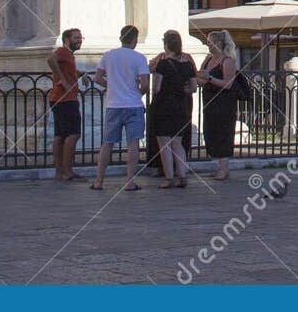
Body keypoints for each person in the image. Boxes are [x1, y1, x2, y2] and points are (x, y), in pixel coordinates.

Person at [92, 25, 150, 191]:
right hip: (133, 105)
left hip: (113, 104)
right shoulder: (139, 58)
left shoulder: (108, 55)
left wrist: (111, 86)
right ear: (134, 39)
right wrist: (138, 93)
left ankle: (98, 181)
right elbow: (145, 83)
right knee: (133, 144)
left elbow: (97, 78)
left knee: (107, 144)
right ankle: (129, 181)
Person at [149, 30, 196, 189]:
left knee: (164, 142)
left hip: (164, 105)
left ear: (166, 45)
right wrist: (182, 89)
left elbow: (156, 88)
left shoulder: (162, 64)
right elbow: (193, 87)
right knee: (178, 142)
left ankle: (169, 177)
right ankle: (182, 175)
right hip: (181, 105)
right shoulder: (188, 64)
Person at [195, 29, 240, 182]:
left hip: (224, 103)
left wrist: (210, 78)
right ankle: (219, 167)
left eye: (210, 42)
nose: (208, 45)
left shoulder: (228, 61)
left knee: (223, 133)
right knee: (211, 132)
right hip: (209, 101)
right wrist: (202, 78)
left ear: (219, 43)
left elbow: (228, 84)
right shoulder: (208, 59)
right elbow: (201, 77)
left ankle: (224, 168)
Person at [47, 28, 85, 182]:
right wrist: (62, 79)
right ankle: (68, 171)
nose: (80, 40)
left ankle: (59, 172)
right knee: (73, 134)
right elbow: (50, 59)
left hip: (58, 98)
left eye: (81, 37)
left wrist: (77, 74)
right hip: (66, 99)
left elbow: (66, 70)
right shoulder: (63, 51)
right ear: (67, 39)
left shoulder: (68, 55)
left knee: (60, 135)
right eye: (76, 37)